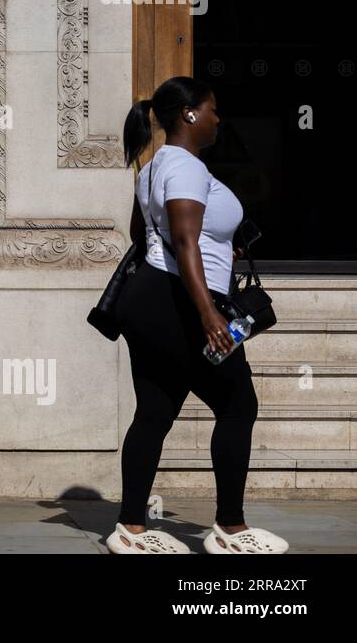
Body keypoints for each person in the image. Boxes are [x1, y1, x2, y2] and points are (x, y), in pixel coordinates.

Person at [107, 76, 288, 554]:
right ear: (189, 115)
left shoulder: (152, 168)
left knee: (154, 411)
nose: (217, 118)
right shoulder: (184, 167)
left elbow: (141, 233)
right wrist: (208, 313)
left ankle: (131, 527)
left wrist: (223, 243)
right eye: (212, 110)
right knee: (237, 404)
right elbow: (184, 240)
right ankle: (229, 528)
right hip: (184, 301)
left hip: (152, 299)